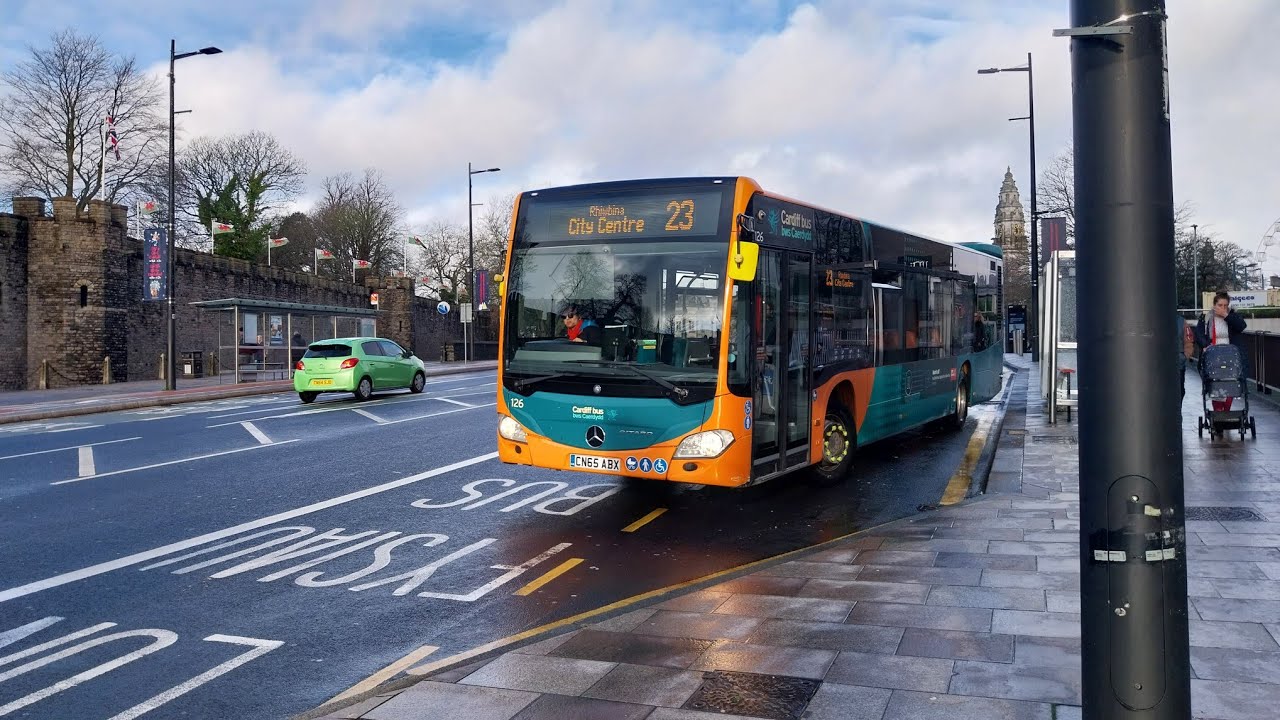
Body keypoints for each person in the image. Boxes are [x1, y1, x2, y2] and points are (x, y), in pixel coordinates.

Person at [1195, 291, 1248, 411]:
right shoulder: (1207, 317)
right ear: (1214, 305)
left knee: (1230, 381)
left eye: (1225, 305)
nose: (1223, 308)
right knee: (1216, 382)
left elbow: (1241, 326)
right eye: (1220, 305)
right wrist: (1205, 345)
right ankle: (1218, 411)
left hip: (1231, 355)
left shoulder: (1232, 316)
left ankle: (1227, 410)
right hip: (1214, 355)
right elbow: (1198, 333)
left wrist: (1226, 316)